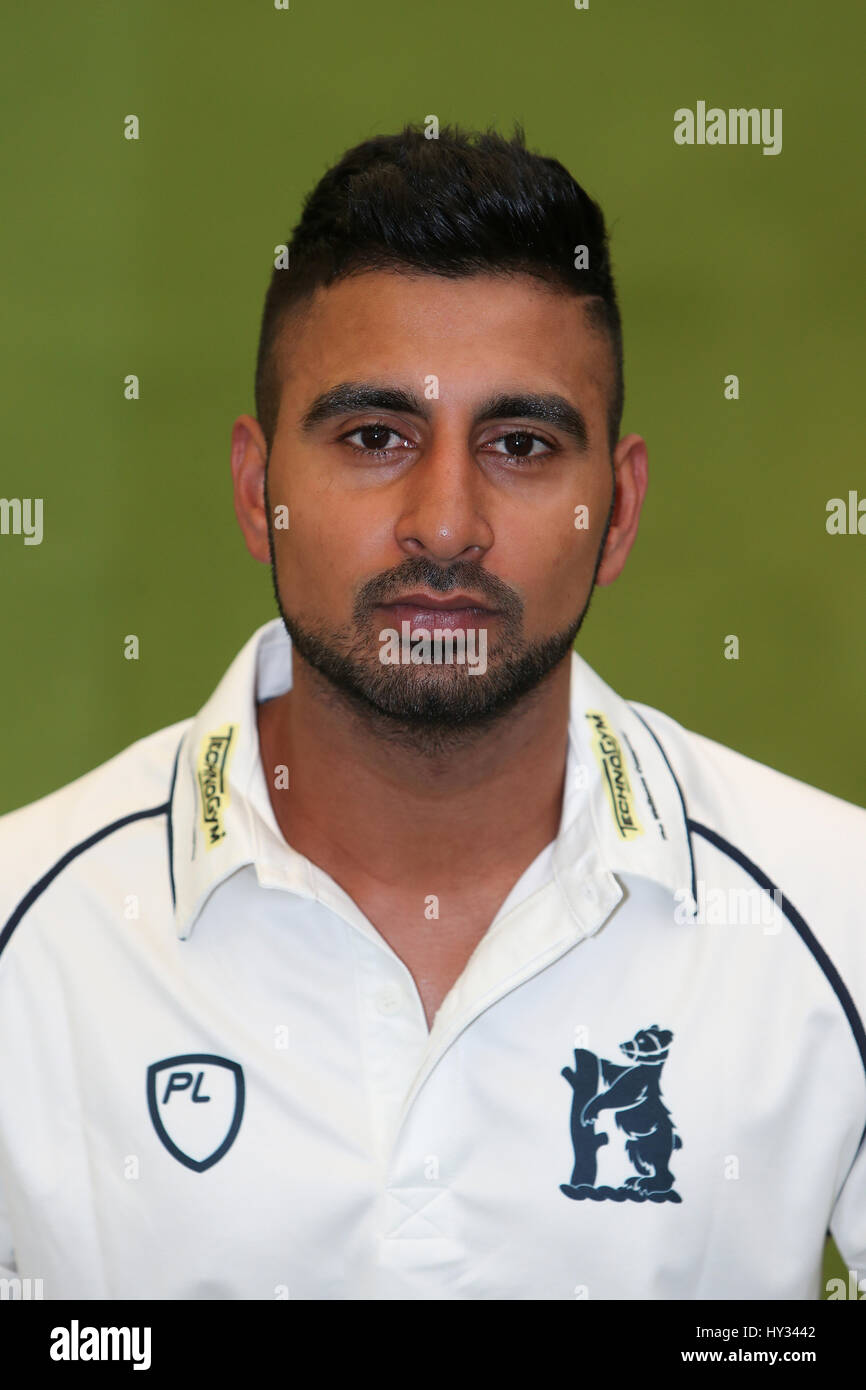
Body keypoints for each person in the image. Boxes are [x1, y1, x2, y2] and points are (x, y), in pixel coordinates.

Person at [0, 123, 863, 1301]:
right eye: (374, 437)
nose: (445, 522)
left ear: (614, 512)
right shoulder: (29, 939)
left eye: (519, 443)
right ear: (261, 495)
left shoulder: (835, 919)